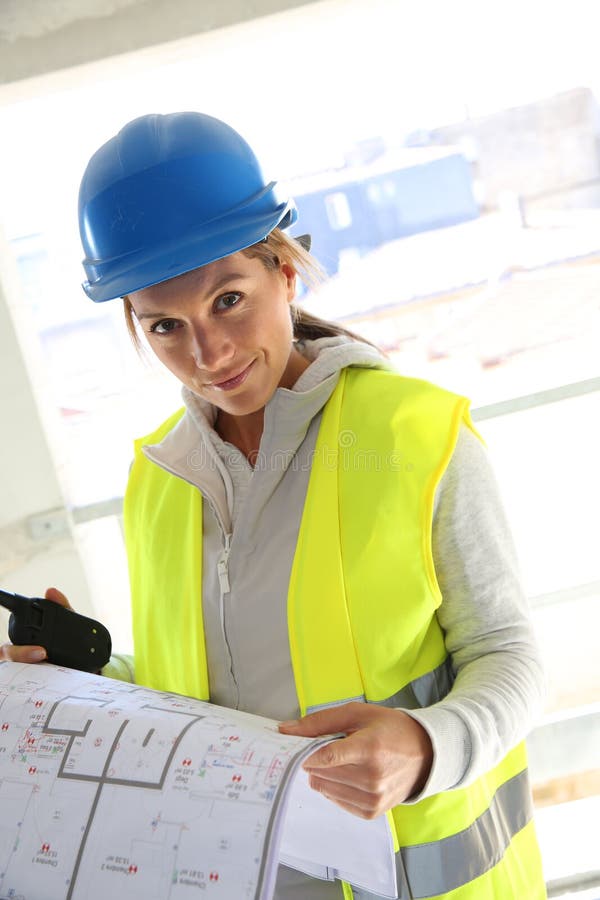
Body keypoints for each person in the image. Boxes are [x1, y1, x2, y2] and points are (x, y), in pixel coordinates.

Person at [1, 111, 547, 899]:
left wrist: (427, 746)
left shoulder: (417, 434)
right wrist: (86, 678)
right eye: (165, 326)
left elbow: (510, 653)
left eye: (228, 299)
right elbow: (195, 692)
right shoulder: (161, 478)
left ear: (285, 273)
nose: (206, 353)